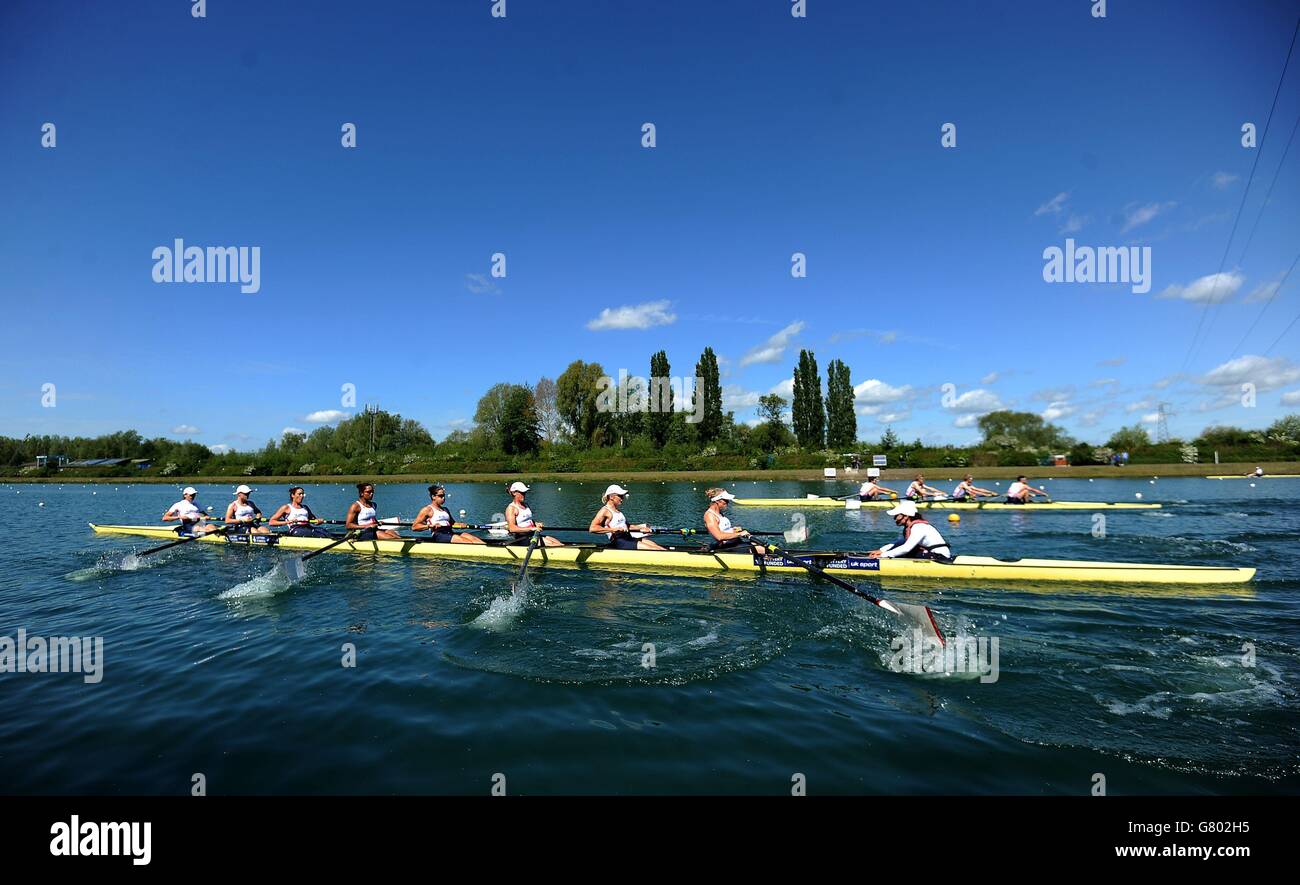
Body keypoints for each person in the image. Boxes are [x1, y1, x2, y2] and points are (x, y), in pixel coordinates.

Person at [868, 500, 952, 561]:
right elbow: (900, 542)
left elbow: (906, 548)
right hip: (933, 555)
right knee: (899, 551)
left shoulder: (919, 527)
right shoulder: (911, 527)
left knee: (905, 553)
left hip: (940, 558)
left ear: (906, 516)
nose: (894, 518)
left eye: (897, 515)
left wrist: (883, 555)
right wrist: (881, 550)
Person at [589, 484, 666, 551]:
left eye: (623, 496)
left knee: (659, 548)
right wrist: (613, 529)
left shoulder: (618, 511)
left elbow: (627, 526)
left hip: (628, 537)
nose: (622, 498)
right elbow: (593, 528)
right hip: (619, 541)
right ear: (611, 497)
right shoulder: (604, 511)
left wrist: (641, 528)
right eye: (620, 496)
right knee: (654, 549)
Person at [412, 484, 485, 544]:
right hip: (439, 535)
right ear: (433, 497)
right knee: (467, 542)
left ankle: (487, 548)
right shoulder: (427, 509)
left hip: (450, 532)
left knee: (472, 538)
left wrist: (461, 525)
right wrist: (430, 526)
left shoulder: (445, 509)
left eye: (444, 495)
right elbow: (414, 527)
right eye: (440, 496)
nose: (443, 498)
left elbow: (453, 524)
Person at [702, 489, 764, 554]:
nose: (728, 502)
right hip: (724, 547)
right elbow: (719, 536)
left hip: (734, 544)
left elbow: (724, 530)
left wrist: (733, 530)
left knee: (759, 545)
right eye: (726, 500)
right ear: (717, 501)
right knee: (762, 550)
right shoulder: (710, 516)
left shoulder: (719, 513)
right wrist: (740, 534)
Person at [505, 481, 564, 546]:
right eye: (522, 492)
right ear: (514, 493)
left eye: (525, 492)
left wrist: (536, 523)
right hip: (522, 539)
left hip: (532, 535)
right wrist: (531, 528)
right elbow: (512, 528)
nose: (524, 494)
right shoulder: (511, 508)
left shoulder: (526, 505)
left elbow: (528, 520)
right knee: (553, 544)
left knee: (558, 543)